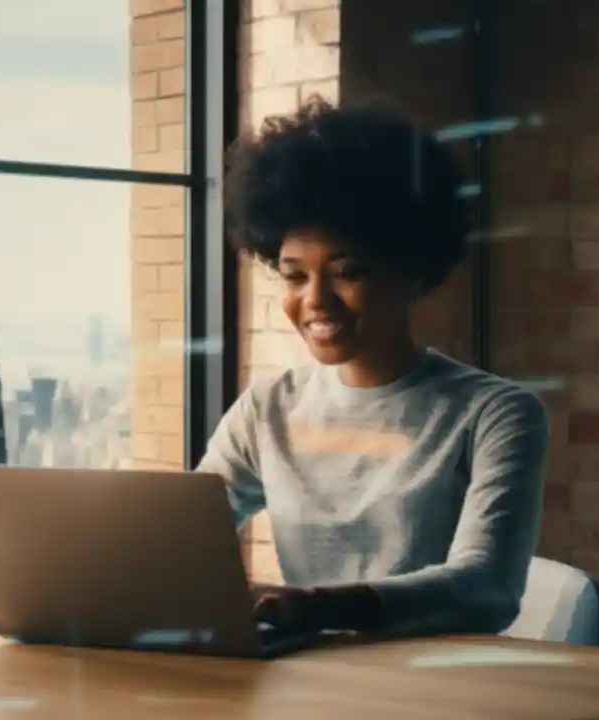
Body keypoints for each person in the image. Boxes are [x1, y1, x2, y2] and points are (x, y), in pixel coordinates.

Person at [199, 97, 548, 638]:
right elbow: (181, 542)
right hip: (308, 682)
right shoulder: (267, 410)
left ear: (411, 271)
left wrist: (317, 607)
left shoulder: (495, 414)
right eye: (294, 277)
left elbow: (489, 588)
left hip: (440, 690)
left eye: (349, 271)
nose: (316, 300)